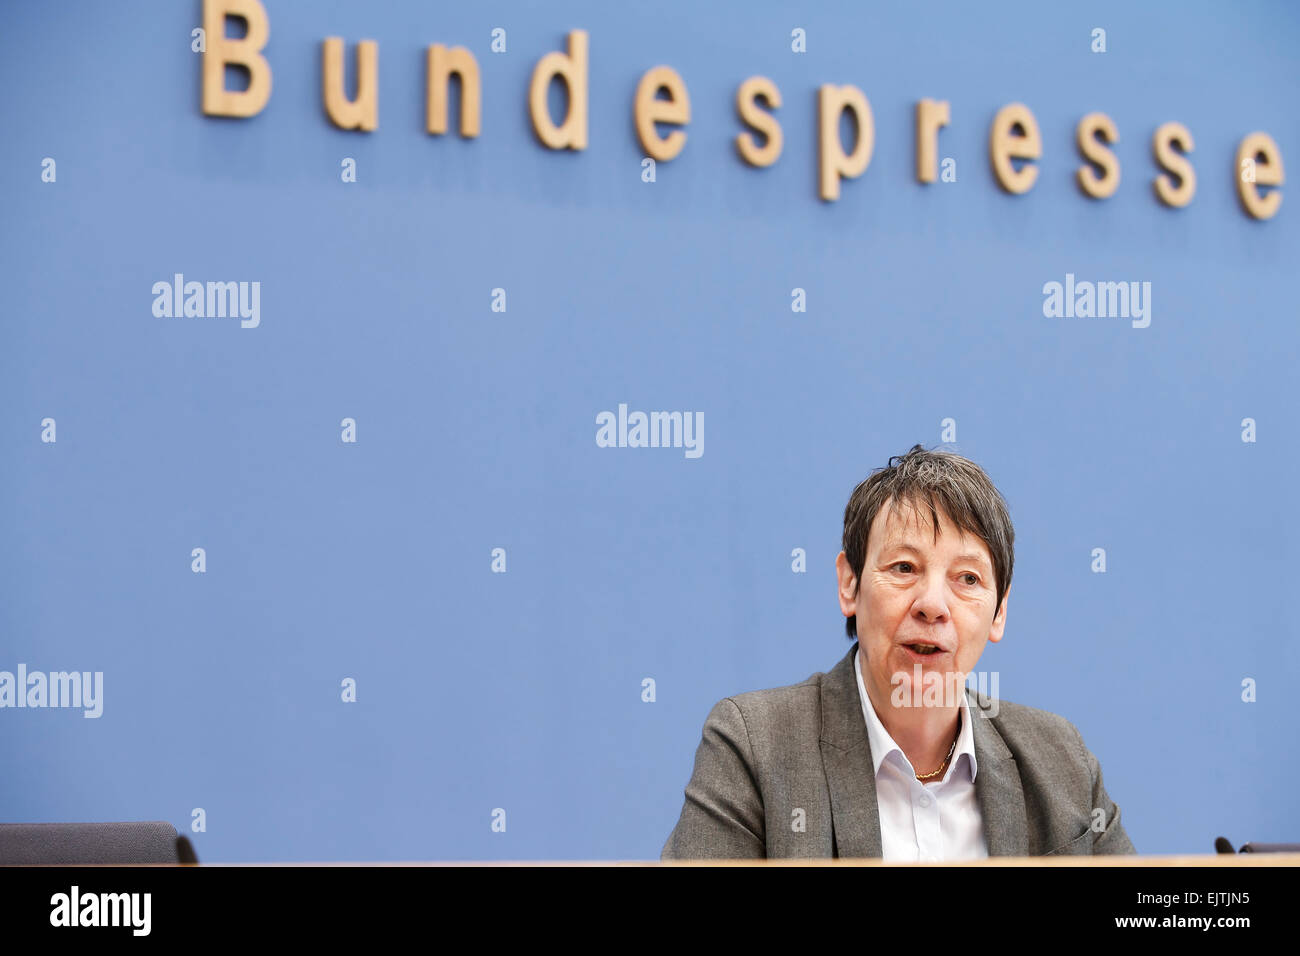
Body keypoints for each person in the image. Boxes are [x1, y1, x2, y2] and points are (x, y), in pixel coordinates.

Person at [661, 444, 1135, 860]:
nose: (933, 605)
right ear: (850, 583)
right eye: (904, 567)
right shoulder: (755, 746)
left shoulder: (1060, 759)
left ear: (999, 613)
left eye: (967, 579)